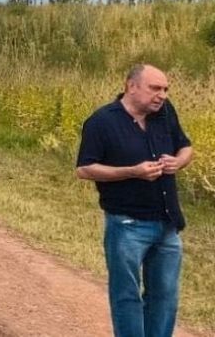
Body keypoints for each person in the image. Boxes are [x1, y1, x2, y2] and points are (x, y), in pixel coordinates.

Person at [76, 64, 193, 337]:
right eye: (155, 88)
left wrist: (178, 161)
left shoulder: (164, 114)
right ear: (131, 86)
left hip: (167, 223)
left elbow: (186, 146)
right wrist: (132, 172)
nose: (162, 95)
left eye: (165, 89)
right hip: (127, 225)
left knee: (165, 297)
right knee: (127, 296)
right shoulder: (102, 122)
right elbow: (84, 169)